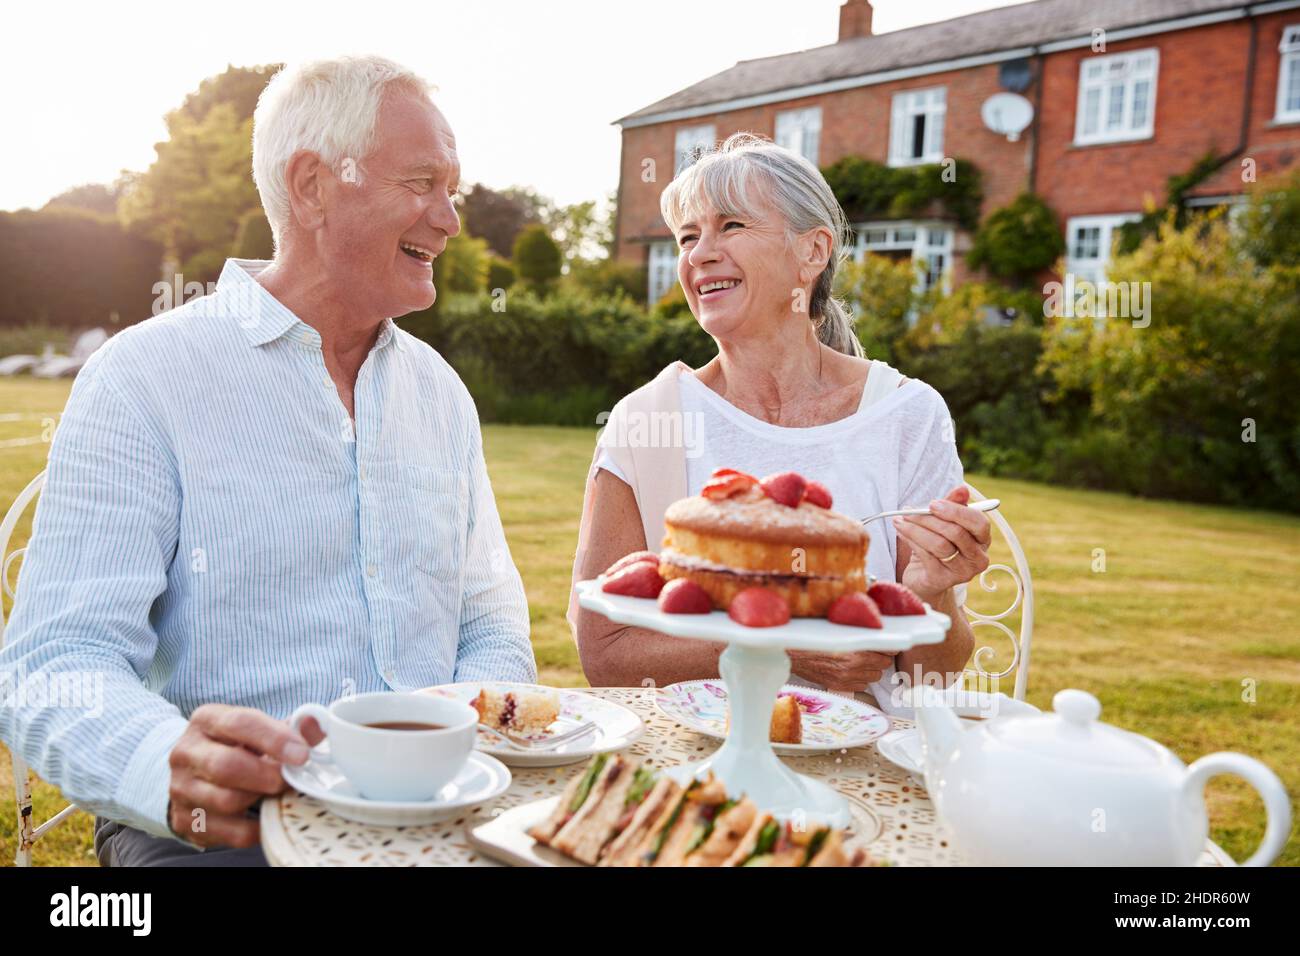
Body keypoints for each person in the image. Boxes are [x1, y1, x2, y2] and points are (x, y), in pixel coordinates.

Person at [0, 55, 535, 866]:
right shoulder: (144, 376)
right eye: (422, 182)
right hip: (225, 837)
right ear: (315, 185)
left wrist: (454, 735)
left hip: (434, 810)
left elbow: (490, 618)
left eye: (451, 189)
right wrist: (168, 768)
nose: (450, 219)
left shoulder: (440, 394)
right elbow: (56, 660)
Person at [570, 133, 990, 711]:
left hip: (857, 757)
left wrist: (931, 595)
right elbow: (606, 653)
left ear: (813, 251)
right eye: (689, 236)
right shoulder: (647, 419)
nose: (698, 254)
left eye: (732, 226)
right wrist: (788, 650)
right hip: (696, 753)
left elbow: (929, 683)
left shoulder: (907, 414)